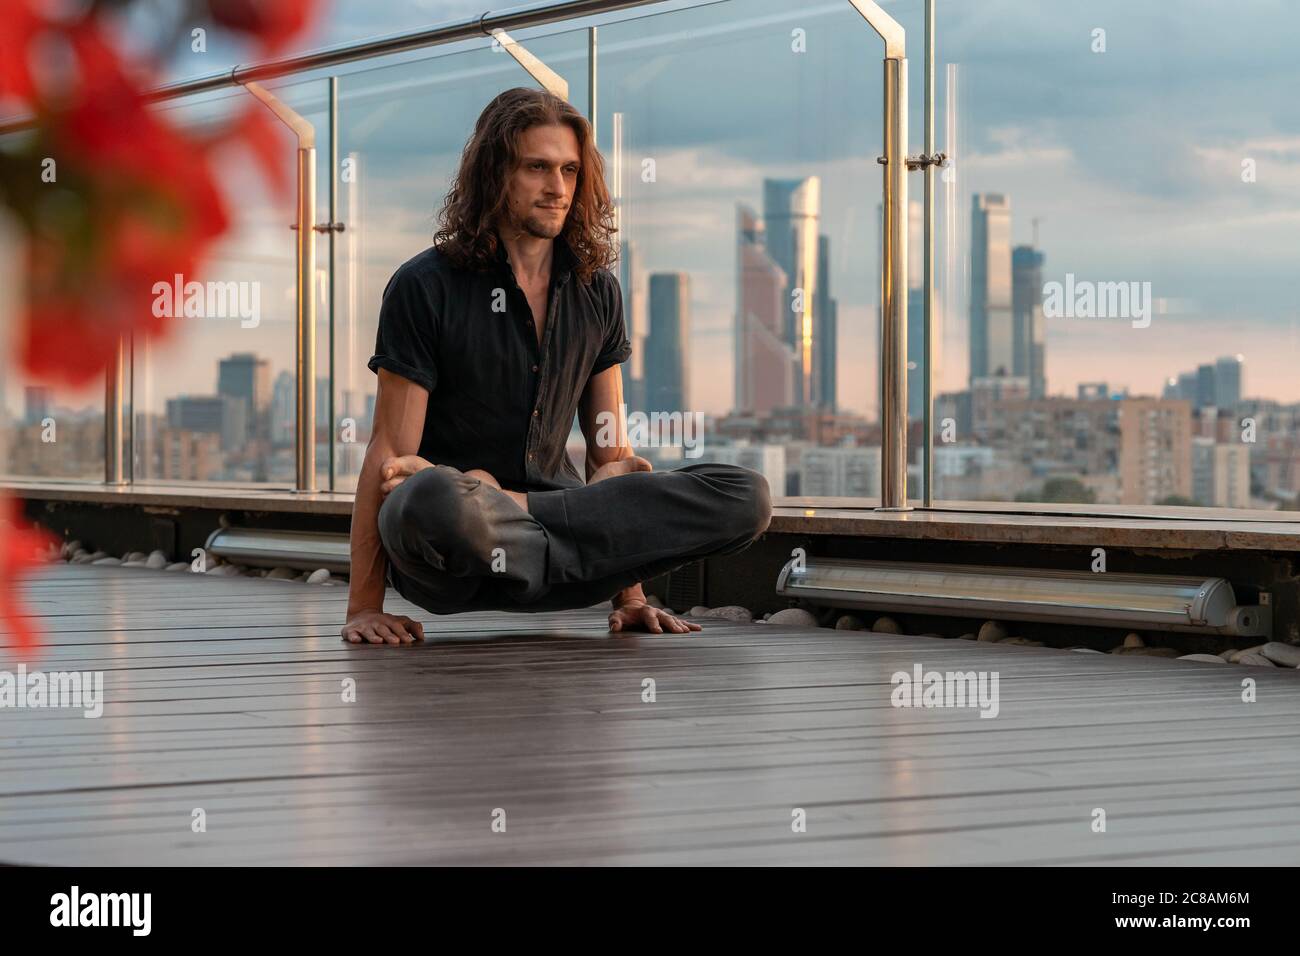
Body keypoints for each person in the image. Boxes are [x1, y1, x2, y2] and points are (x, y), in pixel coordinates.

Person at [341, 88, 771, 646]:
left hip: (566, 554)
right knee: (429, 498)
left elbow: (610, 455)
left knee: (745, 494)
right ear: (495, 174)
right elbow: (389, 456)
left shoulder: (598, 291)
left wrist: (633, 597)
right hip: (462, 556)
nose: (558, 189)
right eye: (537, 168)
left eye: (570, 170)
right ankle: (507, 509)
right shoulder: (425, 286)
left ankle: (516, 507)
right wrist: (362, 607)